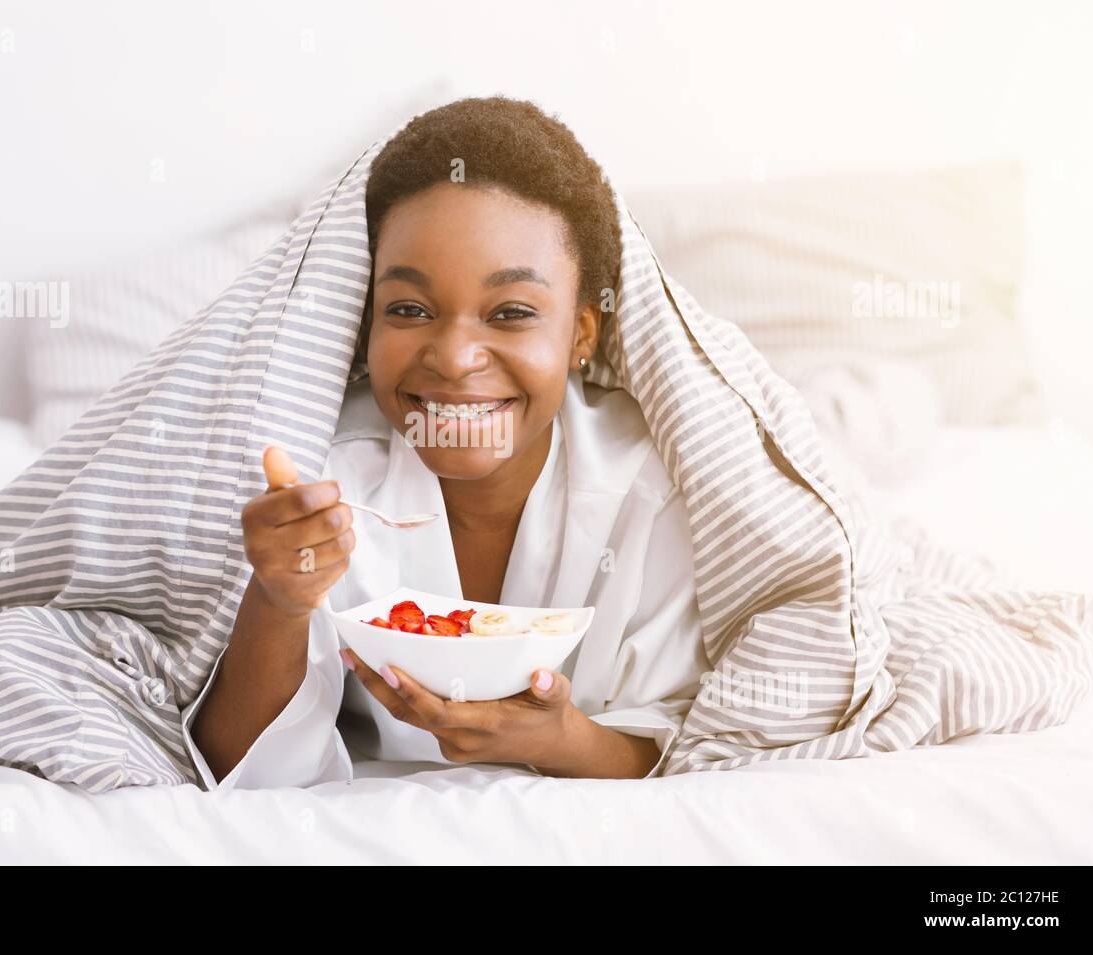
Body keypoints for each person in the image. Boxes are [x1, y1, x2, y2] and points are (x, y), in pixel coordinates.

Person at [186, 96, 707, 789]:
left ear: (582, 333)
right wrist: (277, 601)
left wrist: (564, 739)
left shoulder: (656, 489)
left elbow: (689, 749)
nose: (456, 357)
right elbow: (237, 768)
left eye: (512, 313)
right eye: (409, 309)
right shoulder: (323, 477)